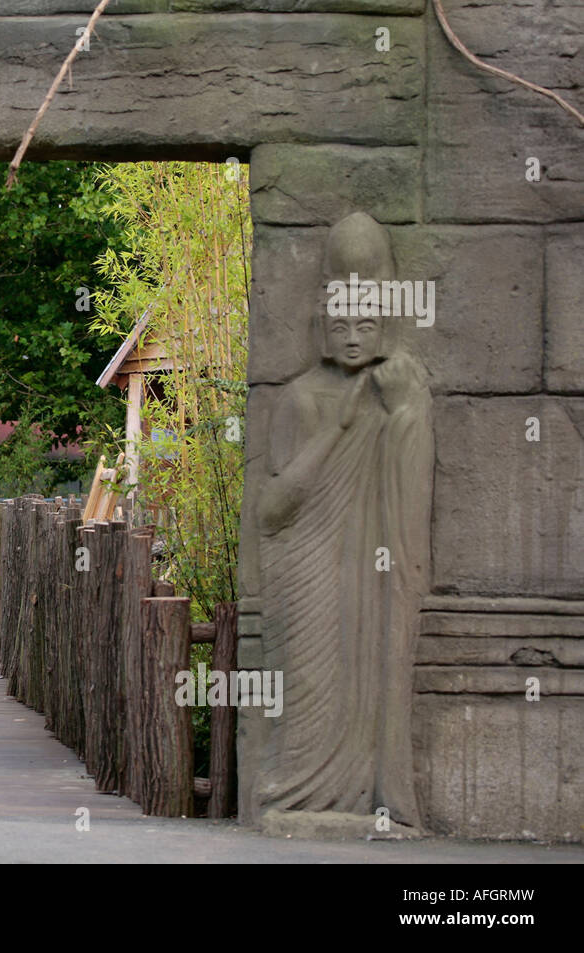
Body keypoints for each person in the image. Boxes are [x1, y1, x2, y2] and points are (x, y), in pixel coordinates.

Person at [254, 212, 432, 829]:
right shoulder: (300, 398)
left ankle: (371, 792)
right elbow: (273, 510)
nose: (353, 335)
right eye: (340, 323)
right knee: (307, 682)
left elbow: (410, 494)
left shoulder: (399, 391)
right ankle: (295, 792)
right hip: (307, 574)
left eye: (366, 322)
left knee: (367, 667)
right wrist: (340, 426)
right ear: (320, 328)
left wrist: (405, 413)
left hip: (369, 573)